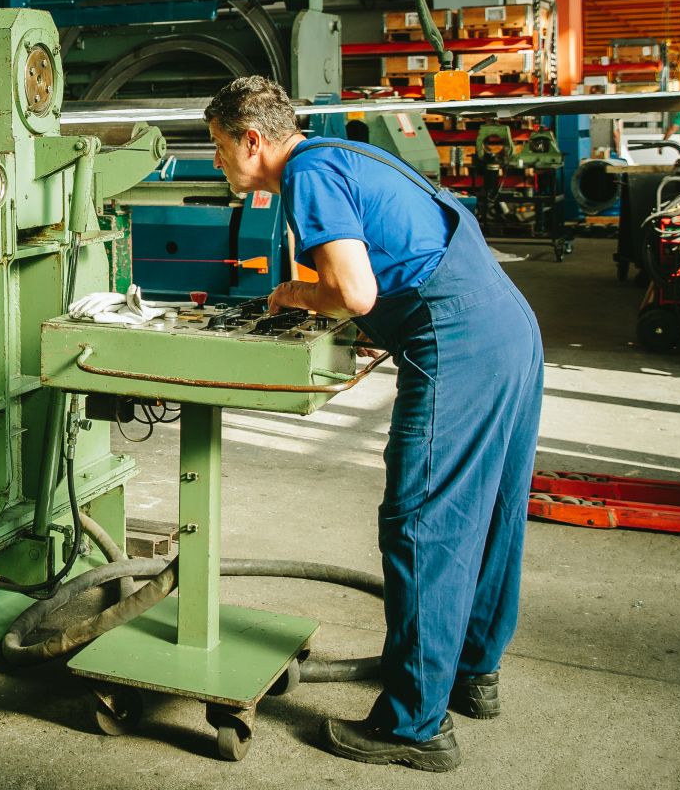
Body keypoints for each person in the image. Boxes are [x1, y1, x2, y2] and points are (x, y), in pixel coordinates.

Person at [204, 75, 545, 774]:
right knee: (493, 512)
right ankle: (471, 672)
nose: (216, 162)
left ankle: (414, 726)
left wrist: (297, 291)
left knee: (423, 524)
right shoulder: (345, 154)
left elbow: (354, 292)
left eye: (217, 147)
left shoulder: (307, 175)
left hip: (459, 342)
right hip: (509, 328)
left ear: (252, 140)